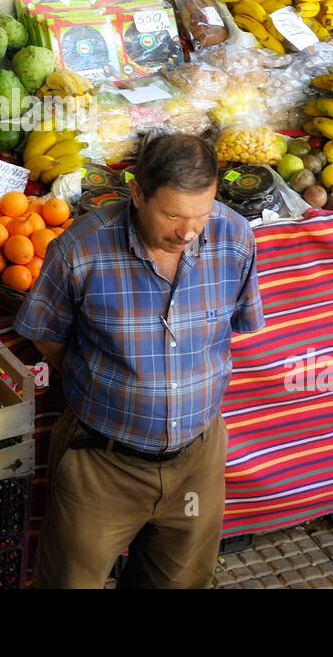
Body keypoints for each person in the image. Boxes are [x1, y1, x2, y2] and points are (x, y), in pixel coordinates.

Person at [16, 133, 264, 589]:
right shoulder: (81, 249)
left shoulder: (235, 239)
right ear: (136, 193)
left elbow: (236, 327)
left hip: (197, 461)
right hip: (101, 465)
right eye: (172, 214)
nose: (188, 232)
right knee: (70, 582)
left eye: (201, 214)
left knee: (180, 582)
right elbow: (47, 338)